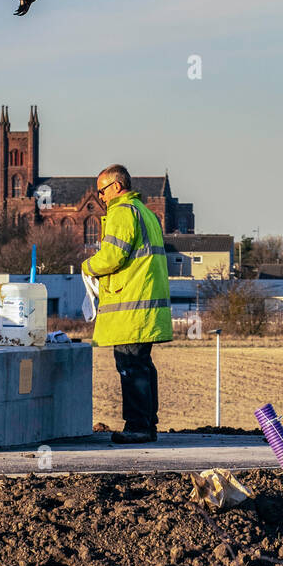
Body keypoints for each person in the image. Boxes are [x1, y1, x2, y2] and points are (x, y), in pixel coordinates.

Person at [82, 165, 172, 444]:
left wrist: (87, 266)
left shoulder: (122, 212)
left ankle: (138, 427)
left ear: (117, 187)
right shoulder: (145, 212)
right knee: (142, 365)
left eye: (102, 190)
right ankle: (147, 423)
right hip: (146, 305)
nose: (100, 197)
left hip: (129, 306)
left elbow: (112, 257)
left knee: (130, 366)